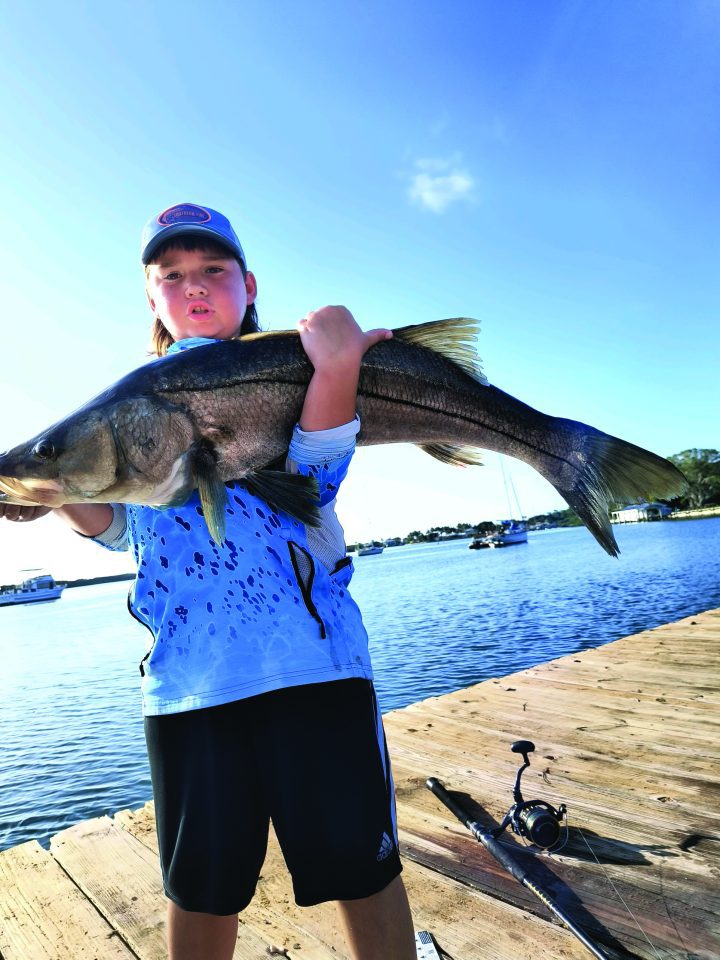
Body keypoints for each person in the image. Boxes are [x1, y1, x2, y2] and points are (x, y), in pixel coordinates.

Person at [1, 203, 417, 960]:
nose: (194, 286)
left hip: (313, 671)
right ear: (152, 298)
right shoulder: (130, 411)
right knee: (200, 887)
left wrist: (339, 367)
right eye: (173, 276)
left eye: (213, 271)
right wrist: (49, 486)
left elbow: (314, 481)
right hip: (190, 685)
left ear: (248, 283)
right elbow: (120, 530)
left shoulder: (287, 370)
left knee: (365, 868)